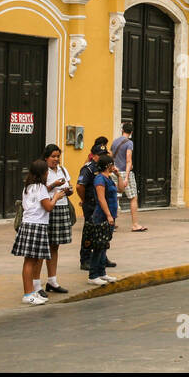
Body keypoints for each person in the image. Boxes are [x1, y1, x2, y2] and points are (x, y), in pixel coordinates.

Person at [12, 159, 68, 306]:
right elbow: (48, 207)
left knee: (32, 260)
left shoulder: (29, 187)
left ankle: (32, 291)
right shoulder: (40, 188)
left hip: (31, 224)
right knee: (30, 261)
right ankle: (28, 293)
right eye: (46, 172)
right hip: (35, 225)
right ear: (43, 173)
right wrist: (56, 197)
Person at [37, 144, 73, 297]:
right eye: (53, 156)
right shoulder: (42, 171)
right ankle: (36, 284)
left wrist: (68, 190)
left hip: (61, 207)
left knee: (55, 246)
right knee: (42, 247)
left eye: (58, 156)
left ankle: (52, 280)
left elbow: (69, 188)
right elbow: (38, 189)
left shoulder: (63, 170)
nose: (56, 159)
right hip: (48, 209)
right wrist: (54, 185)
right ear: (46, 157)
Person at [77, 138, 115, 271]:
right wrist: (84, 199)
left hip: (102, 205)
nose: (103, 158)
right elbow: (79, 186)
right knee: (89, 232)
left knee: (103, 231)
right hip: (91, 205)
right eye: (101, 155)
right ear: (94, 156)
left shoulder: (104, 169)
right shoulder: (88, 169)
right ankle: (85, 259)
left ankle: (102, 257)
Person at [84, 155, 120, 286]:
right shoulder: (99, 179)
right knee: (99, 246)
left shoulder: (109, 178)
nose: (113, 166)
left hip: (110, 215)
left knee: (104, 245)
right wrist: (108, 215)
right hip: (101, 216)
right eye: (112, 164)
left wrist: (119, 176)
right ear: (107, 165)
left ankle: (102, 272)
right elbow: (101, 199)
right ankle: (93, 275)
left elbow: (121, 189)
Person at [111, 121, 147, 232]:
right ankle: (135, 224)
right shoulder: (129, 143)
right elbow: (128, 160)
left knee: (114, 198)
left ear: (122, 130)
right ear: (131, 132)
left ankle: (112, 224)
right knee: (133, 198)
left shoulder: (115, 142)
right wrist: (126, 177)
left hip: (114, 172)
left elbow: (111, 157)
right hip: (123, 172)